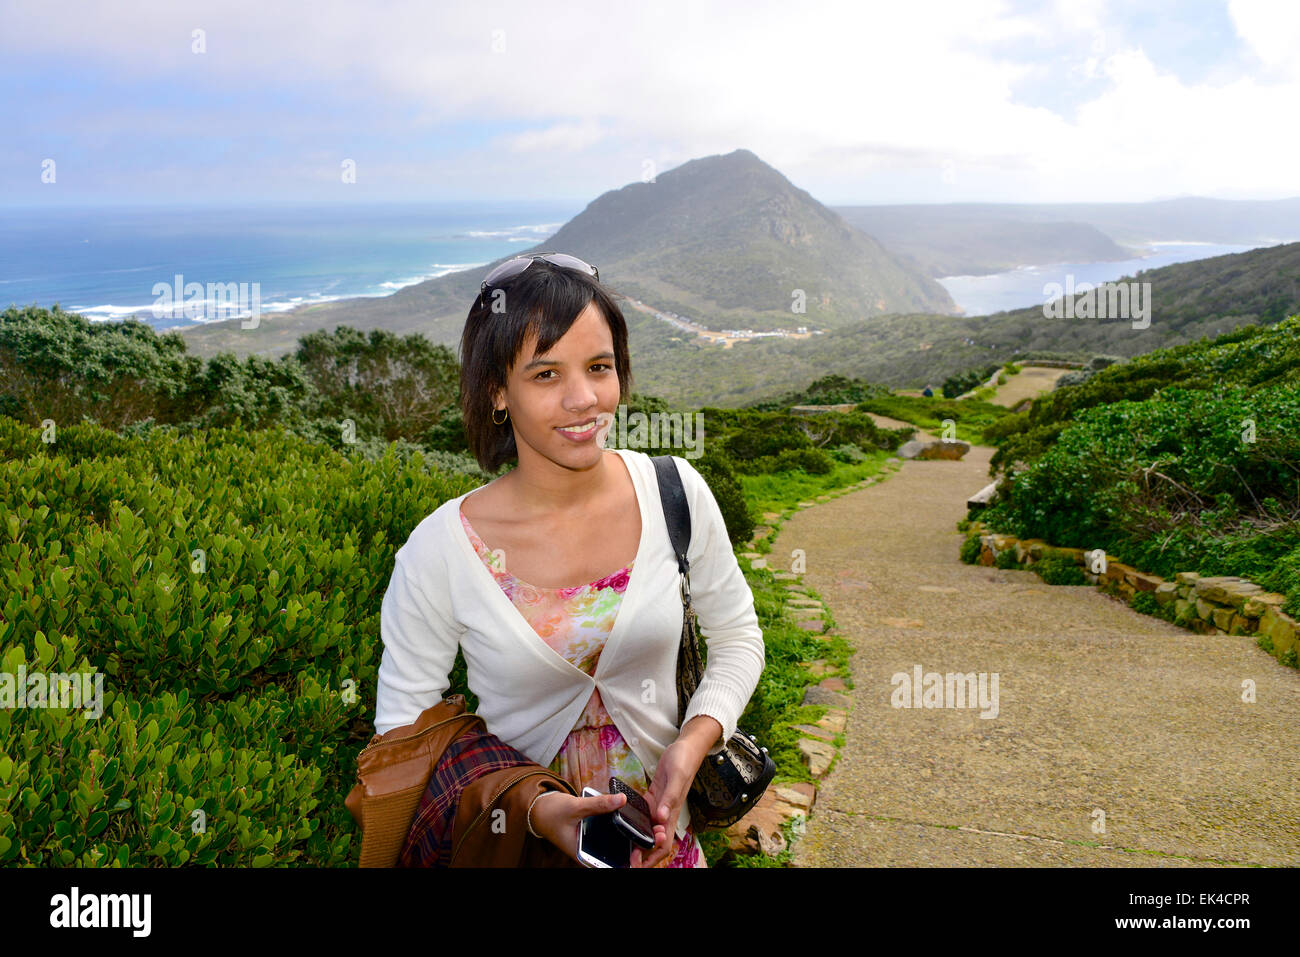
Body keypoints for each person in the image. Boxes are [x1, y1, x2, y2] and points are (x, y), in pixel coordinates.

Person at [373, 252, 765, 867]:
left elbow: (738, 635)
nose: (585, 400)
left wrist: (692, 743)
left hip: (666, 848)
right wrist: (534, 808)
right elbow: (403, 734)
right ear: (498, 392)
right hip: (519, 852)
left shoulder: (674, 494)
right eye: (547, 375)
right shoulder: (441, 549)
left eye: (599, 367)